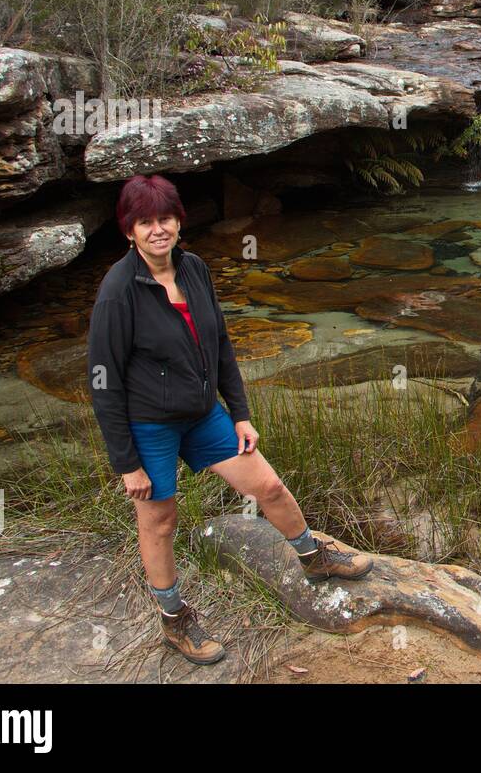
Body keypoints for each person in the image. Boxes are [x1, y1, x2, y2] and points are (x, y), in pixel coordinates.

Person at [87, 174, 372, 665]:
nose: (158, 229)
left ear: (179, 221)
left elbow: (219, 345)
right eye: (145, 222)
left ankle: (314, 557)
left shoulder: (194, 269)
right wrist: (126, 463)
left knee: (269, 487)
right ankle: (175, 622)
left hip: (203, 416)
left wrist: (239, 414)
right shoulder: (118, 291)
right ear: (129, 231)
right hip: (149, 425)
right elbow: (102, 380)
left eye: (166, 219)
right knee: (159, 520)